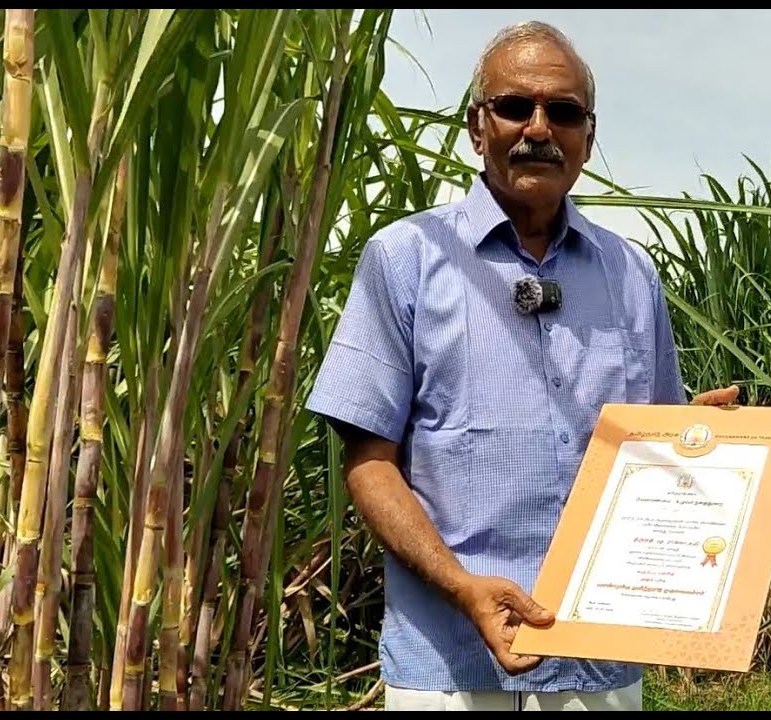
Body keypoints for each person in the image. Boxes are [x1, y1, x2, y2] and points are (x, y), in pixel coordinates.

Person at [304, 20, 739, 712]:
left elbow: (652, 451)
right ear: (479, 127)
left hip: (597, 665)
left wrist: (707, 446)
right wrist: (462, 587)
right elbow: (371, 464)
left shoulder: (630, 275)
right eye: (515, 107)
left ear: (587, 139)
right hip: (448, 665)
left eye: (563, 112)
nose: (539, 127)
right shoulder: (407, 258)